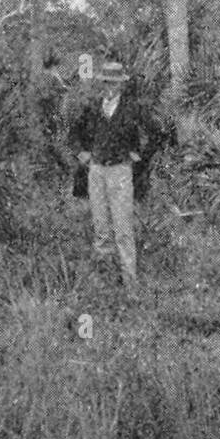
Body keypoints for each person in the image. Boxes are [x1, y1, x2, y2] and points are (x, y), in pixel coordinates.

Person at [74, 61, 144, 294]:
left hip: (120, 172)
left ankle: (131, 286)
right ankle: (106, 286)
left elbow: (152, 133)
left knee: (123, 230)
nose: (109, 86)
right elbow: (75, 133)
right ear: (101, 83)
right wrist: (82, 153)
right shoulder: (93, 107)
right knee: (101, 229)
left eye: (113, 82)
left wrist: (136, 154)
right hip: (97, 171)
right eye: (106, 82)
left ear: (121, 84)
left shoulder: (131, 109)